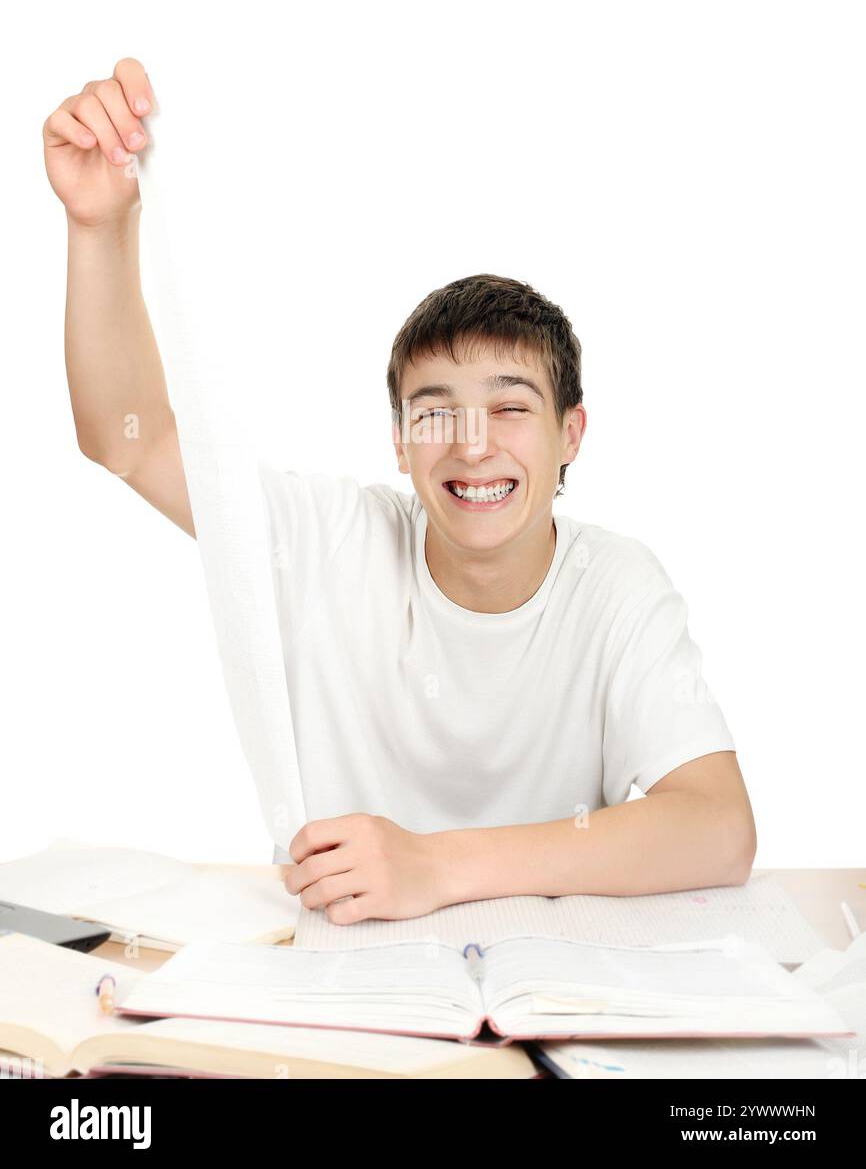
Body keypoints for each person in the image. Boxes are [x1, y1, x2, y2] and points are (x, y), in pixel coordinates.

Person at [44, 57, 757, 925]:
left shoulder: (618, 587)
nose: (471, 444)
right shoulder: (331, 539)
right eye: (434, 412)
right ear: (398, 440)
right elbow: (130, 439)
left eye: (510, 407)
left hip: (549, 983)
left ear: (571, 432)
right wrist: (99, 227)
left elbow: (719, 827)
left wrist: (434, 864)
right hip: (336, 972)